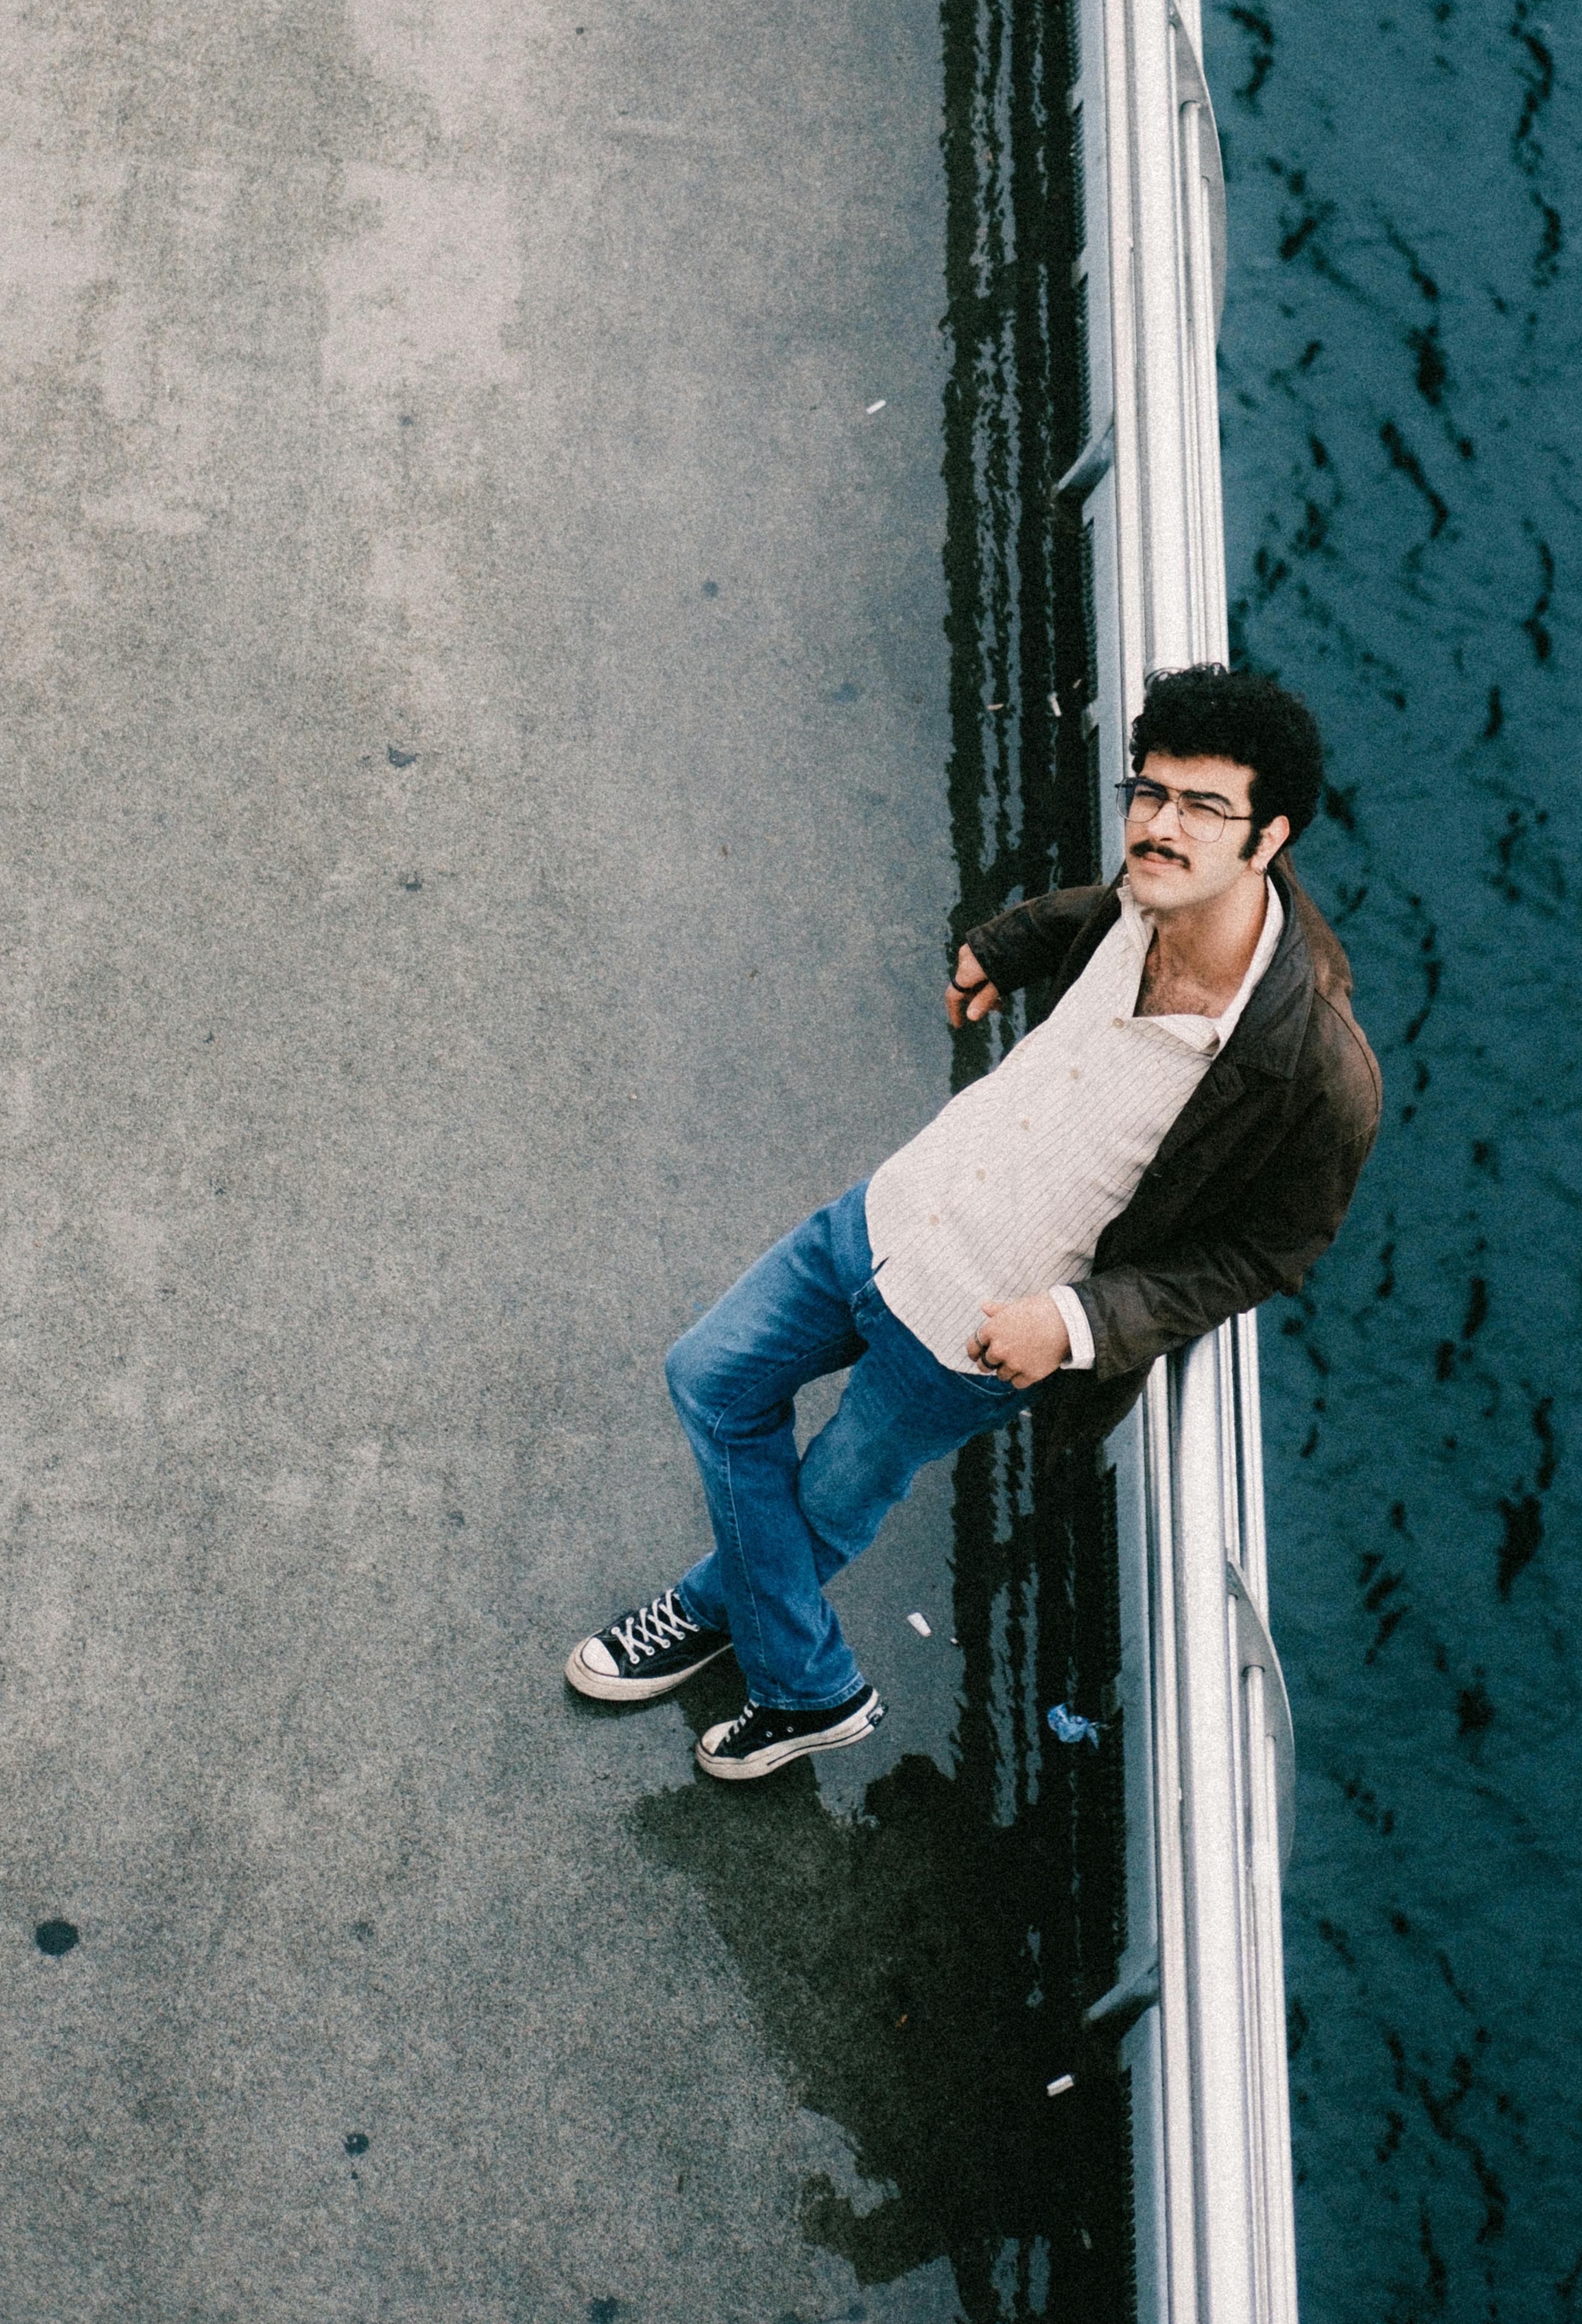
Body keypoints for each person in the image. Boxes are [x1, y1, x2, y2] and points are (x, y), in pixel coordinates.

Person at [566, 662, 1382, 1781]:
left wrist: (1078, 1324)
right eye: (1149, 792)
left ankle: (764, 1663)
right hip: (893, 1212)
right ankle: (806, 1677)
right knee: (709, 1376)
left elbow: (1266, 1253)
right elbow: (1098, 910)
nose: (1159, 826)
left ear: (1269, 838)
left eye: (1203, 807)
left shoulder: (1317, 1071)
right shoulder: (1156, 888)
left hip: (979, 1326)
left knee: (828, 1500)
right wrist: (1006, 944)